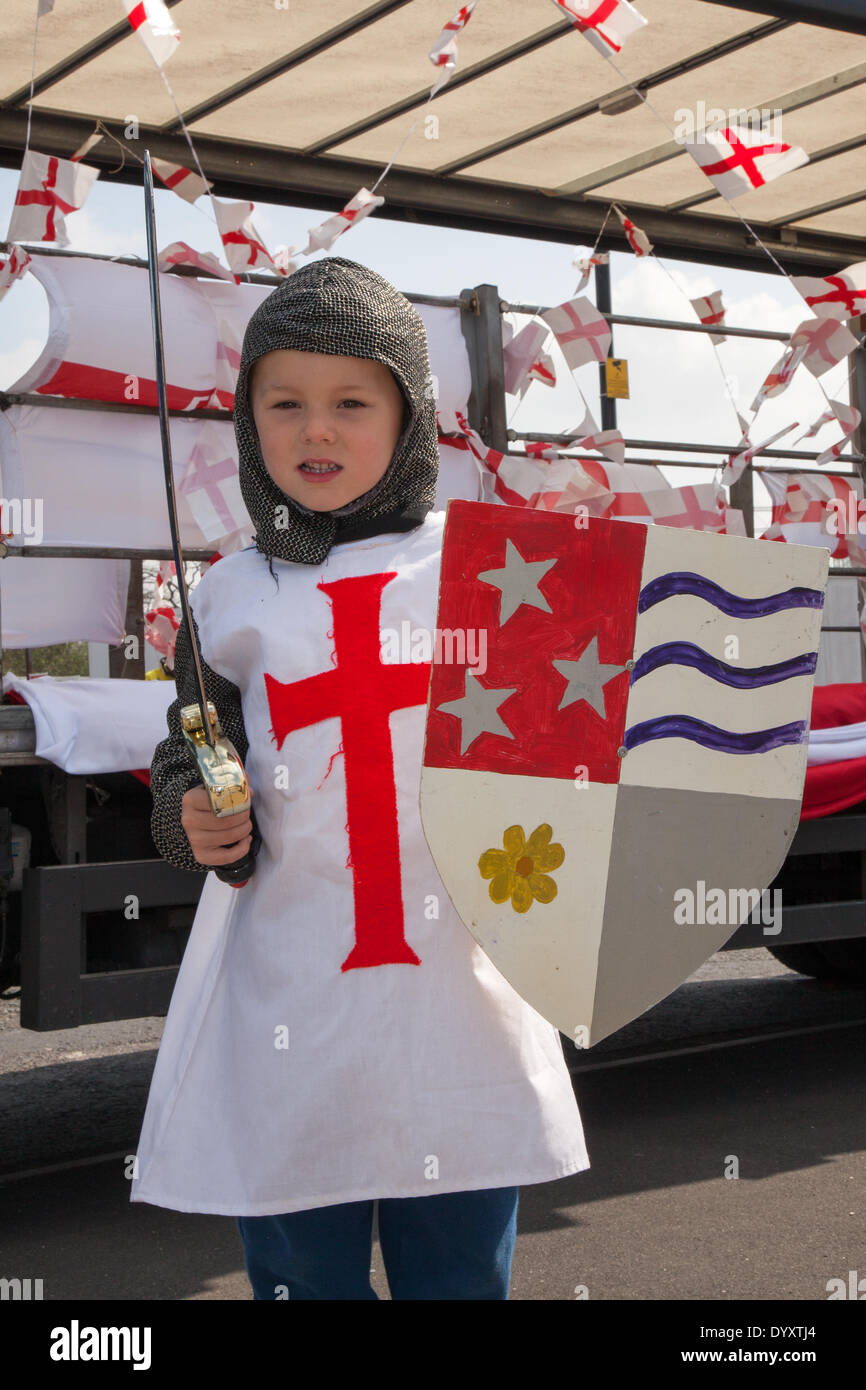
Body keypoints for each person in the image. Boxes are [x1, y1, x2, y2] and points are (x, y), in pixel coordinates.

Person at [131, 256, 590, 1300]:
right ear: (249, 422)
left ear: (410, 417)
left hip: (458, 999)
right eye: (283, 402)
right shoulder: (231, 594)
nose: (315, 429)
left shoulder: (485, 567)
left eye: (350, 400)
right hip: (292, 999)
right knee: (301, 1271)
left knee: (459, 1274)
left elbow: (560, 752)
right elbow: (191, 741)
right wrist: (185, 812)